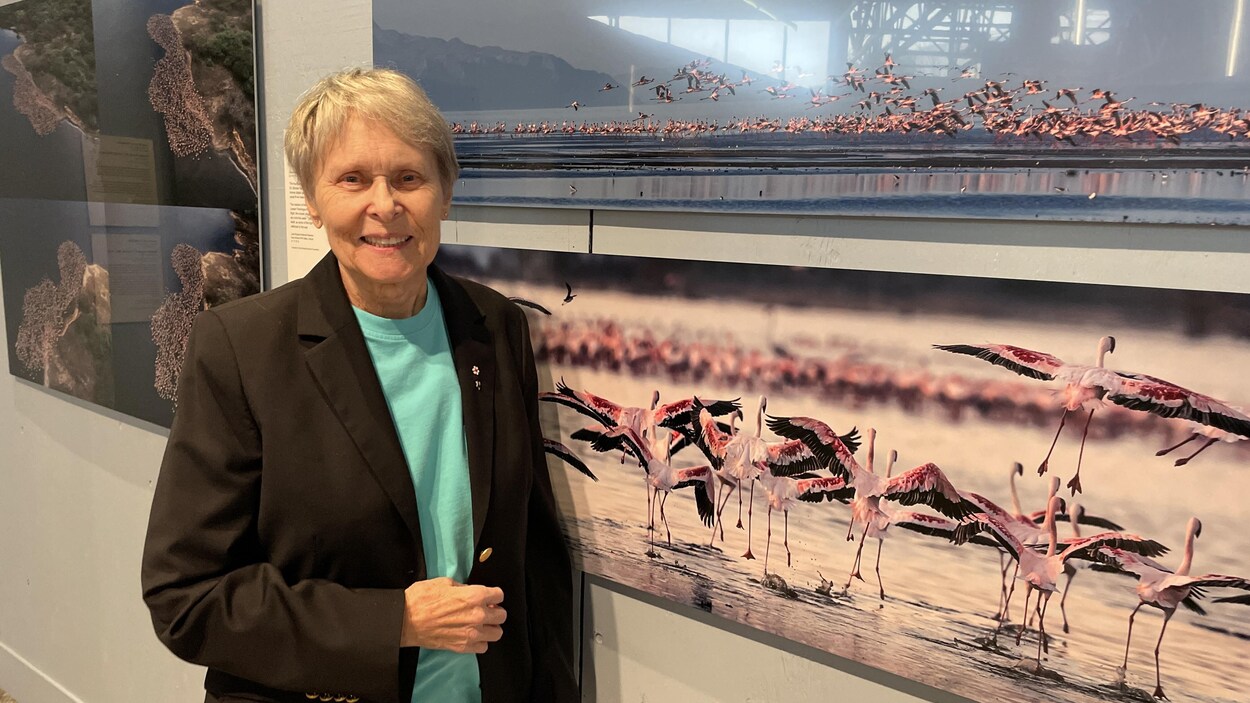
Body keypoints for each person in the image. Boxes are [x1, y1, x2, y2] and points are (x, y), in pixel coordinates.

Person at [141, 67, 577, 703]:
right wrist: (393, 623)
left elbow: (534, 552)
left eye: (409, 178)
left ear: (445, 194)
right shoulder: (241, 348)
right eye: (353, 179)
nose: (385, 205)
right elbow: (186, 596)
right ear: (314, 202)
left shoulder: (494, 326)